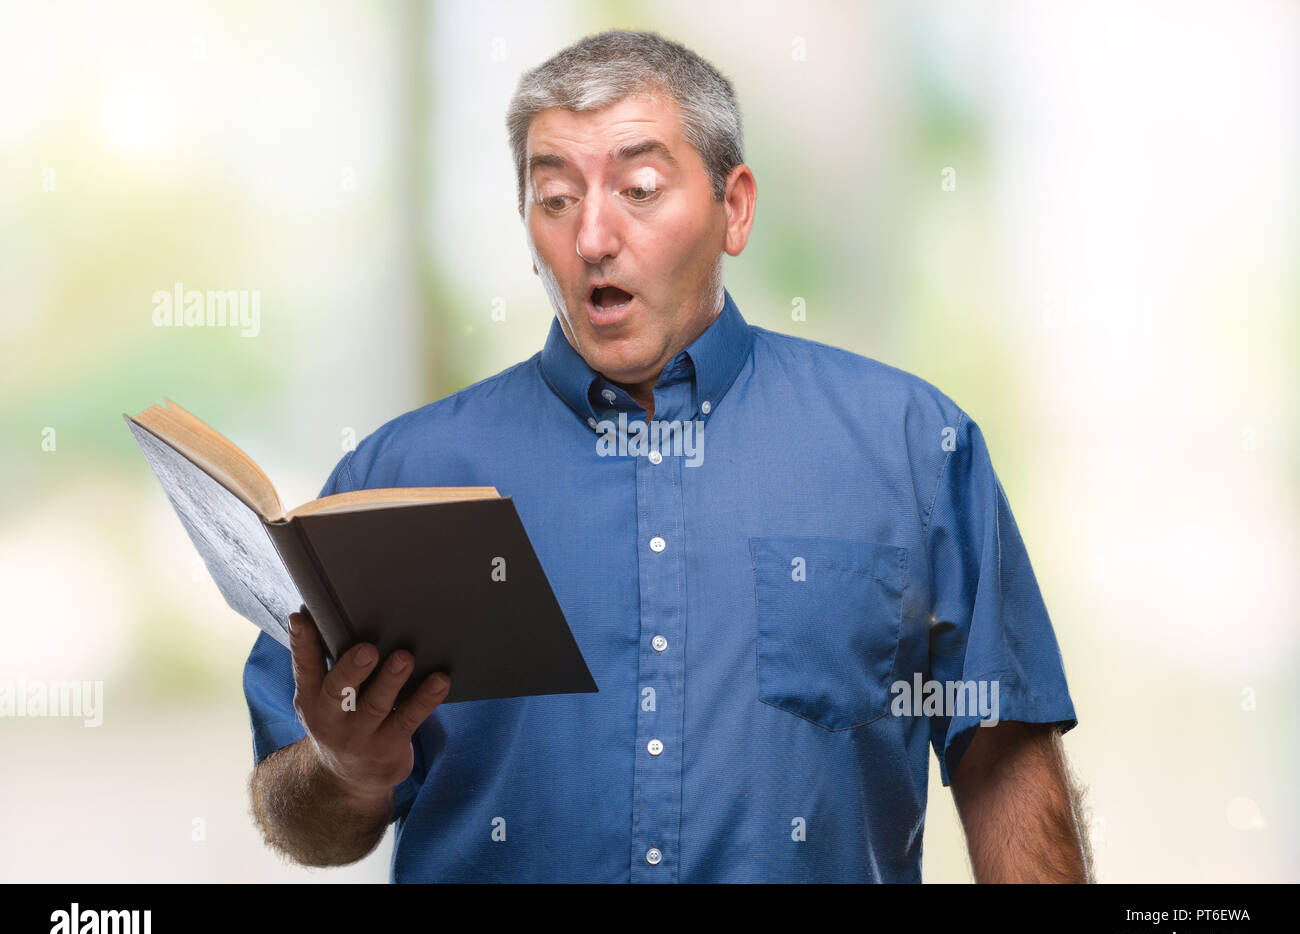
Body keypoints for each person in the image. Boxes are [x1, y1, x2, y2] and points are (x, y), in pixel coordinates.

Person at [244, 28, 1091, 883]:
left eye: (640, 188)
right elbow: (300, 814)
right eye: (555, 197)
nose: (593, 237)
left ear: (736, 207)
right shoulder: (399, 479)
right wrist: (345, 771)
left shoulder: (913, 445)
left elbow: (1005, 761)